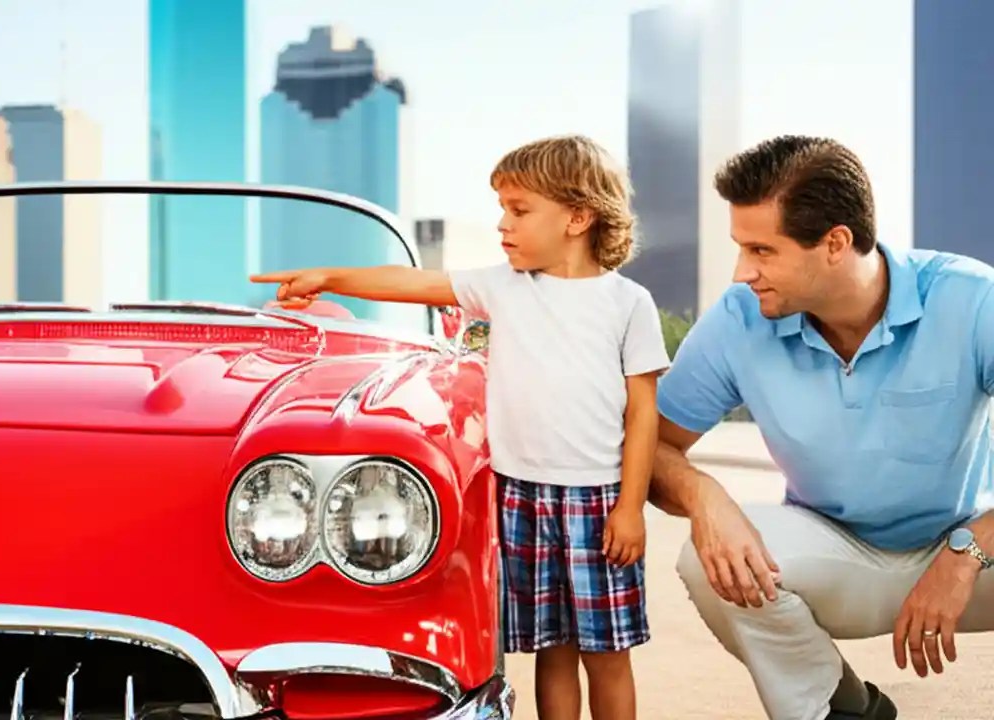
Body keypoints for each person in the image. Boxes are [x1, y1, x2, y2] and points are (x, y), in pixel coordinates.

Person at [251, 135, 670, 720]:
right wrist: (328, 277)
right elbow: (410, 283)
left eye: (520, 210)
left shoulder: (629, 304)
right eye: (502, 208)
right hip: (519, 497)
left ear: (578, 217)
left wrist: (631, 507)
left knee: (608, 656)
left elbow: (641, 411)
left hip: (598, 502)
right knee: (551, 651)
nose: (503, 224)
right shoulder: (502, 285)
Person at [649, 134, 994, 720]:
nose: (742, 272)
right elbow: (651, 446)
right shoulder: (738, 322)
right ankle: (843, 709)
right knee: (707, 562)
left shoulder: (971, 298)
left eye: (762, 251)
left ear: (835, 243)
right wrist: (703, 495)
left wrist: (968, 551)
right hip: (836, 556)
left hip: (970, 551)